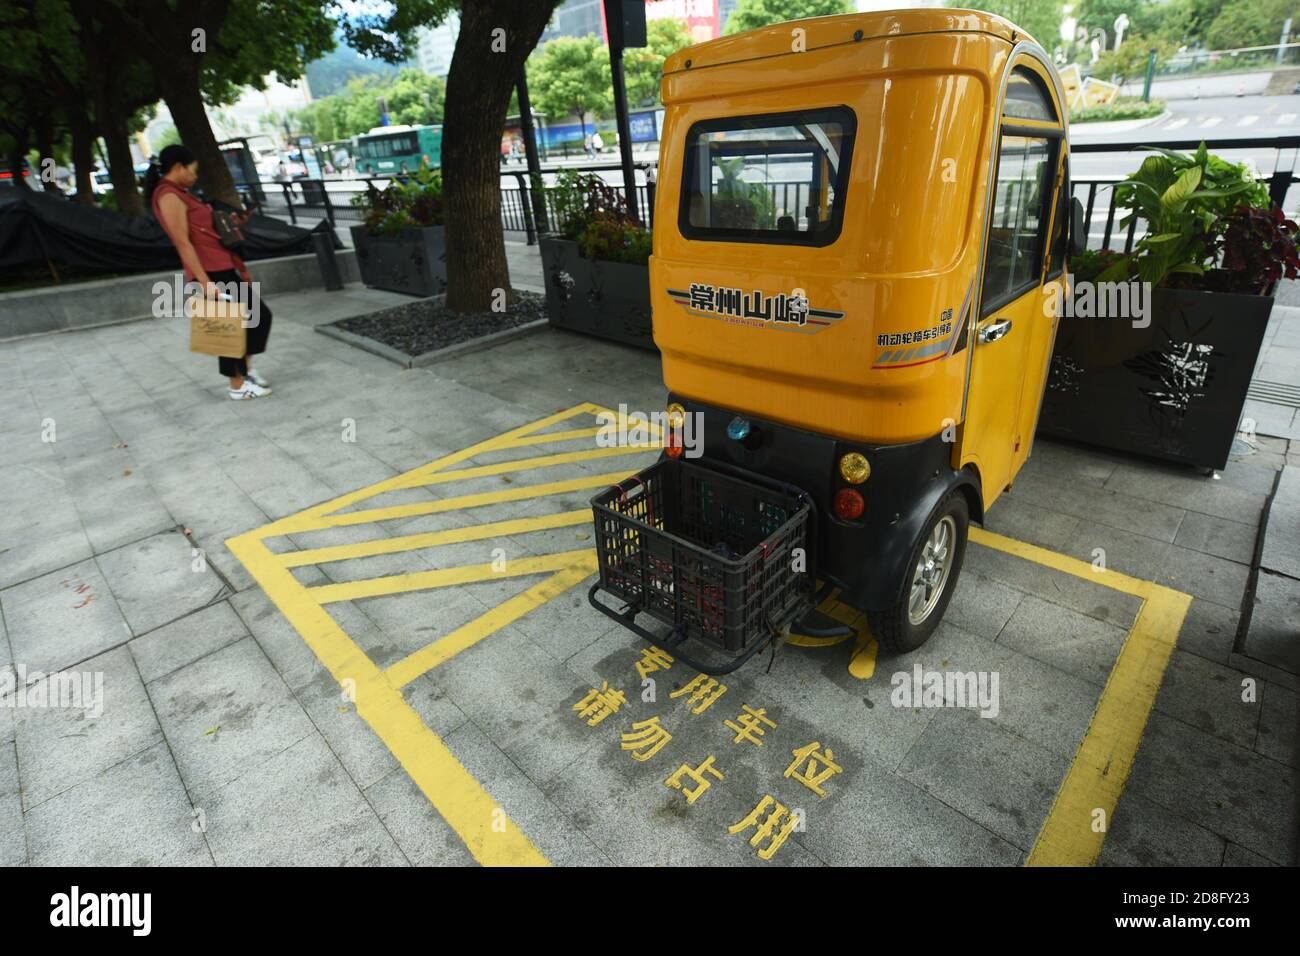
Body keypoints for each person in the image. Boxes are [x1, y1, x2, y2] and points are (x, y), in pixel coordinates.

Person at [145, 144, 274, 400]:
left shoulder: (183, 193)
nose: (195, 176)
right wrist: (205, 282)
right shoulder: (168, 195)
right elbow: (182, 242)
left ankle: (245, 372)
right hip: (210, 272)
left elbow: (202, 229)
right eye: (192, 171)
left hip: (221, 264)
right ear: (179, 167)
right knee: (229, 326)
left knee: (256, 317)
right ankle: (237, 386)